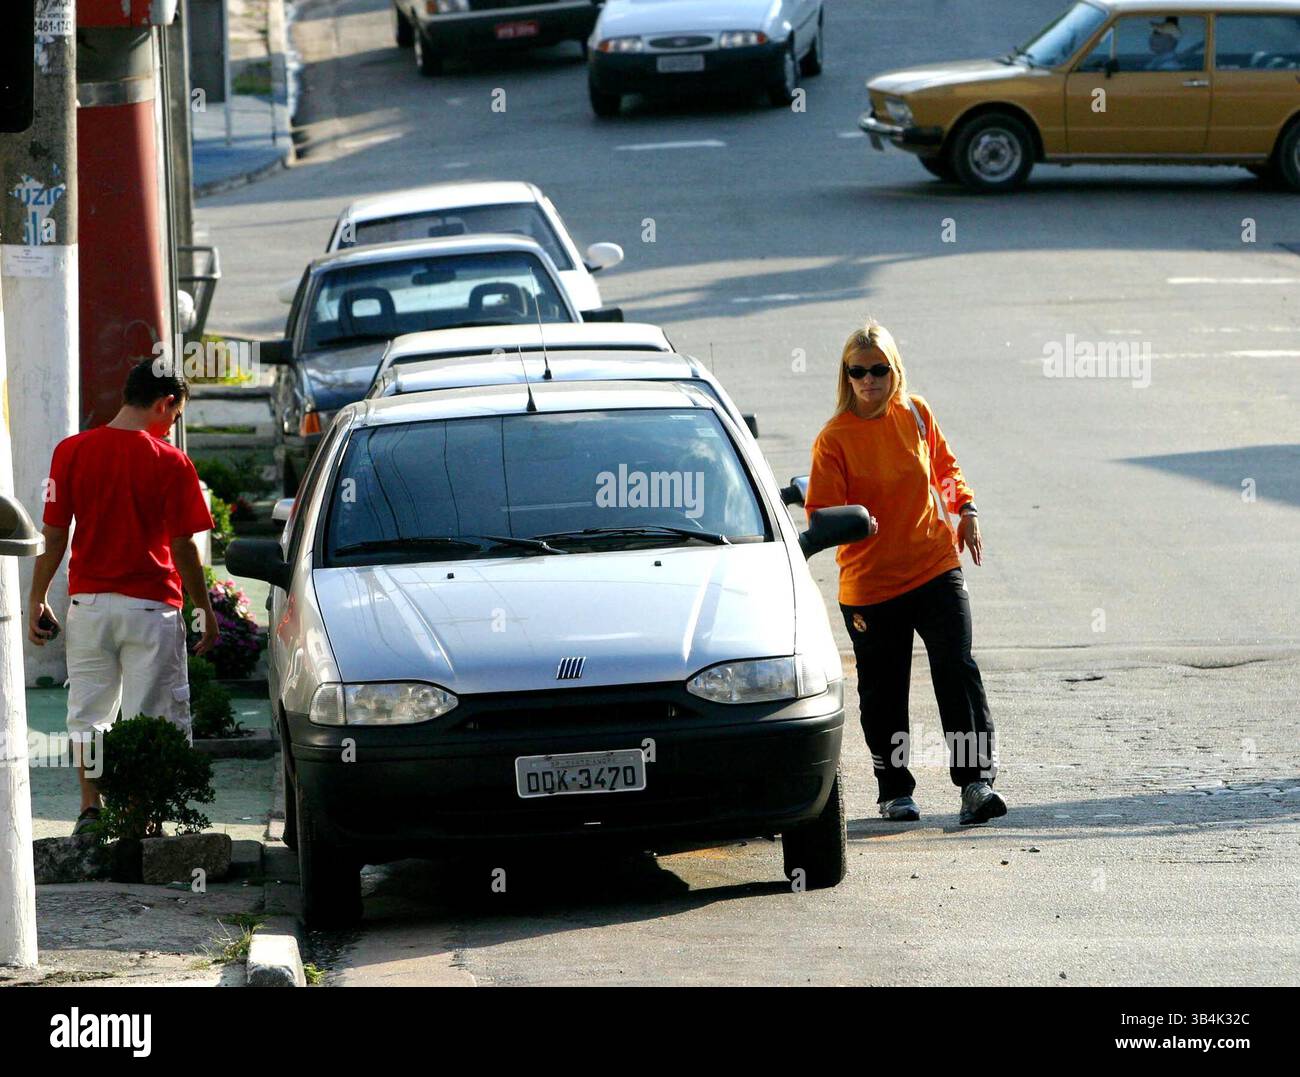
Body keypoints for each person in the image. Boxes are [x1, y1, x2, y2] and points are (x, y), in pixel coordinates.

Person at [805, 322, 1004, 825]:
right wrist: (852, 523)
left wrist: (968, 511)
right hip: (871, 586)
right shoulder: (834, 440)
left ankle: (975, 783)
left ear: (895, 371)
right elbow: (820, 512)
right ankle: (894, 789)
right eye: (858, 371)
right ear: (846, 376)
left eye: (879, 370)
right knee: (884, 689)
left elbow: (945, 468)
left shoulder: (915, 413)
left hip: (934, 564)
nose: (869, 380)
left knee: (957, 671)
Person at [27, 359, 219, 835]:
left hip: (88, 607)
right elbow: (182, 546)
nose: (171, 425)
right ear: (165, 402)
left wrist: (37, 598)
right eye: (175, 415)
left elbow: (53, 536)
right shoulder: (170, 461)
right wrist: (204, 608)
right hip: (151, 608)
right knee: (151, 716)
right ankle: (141, 819)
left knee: (89, 717)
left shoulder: (70, 451)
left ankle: (90, 811)